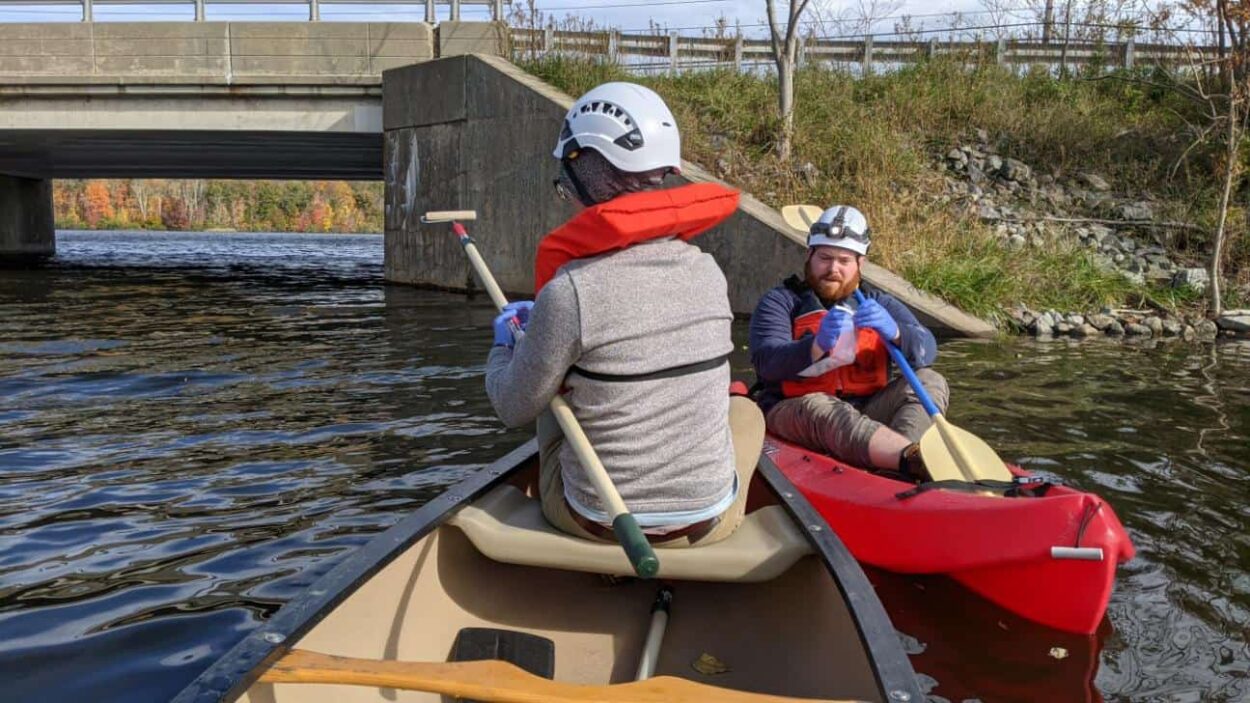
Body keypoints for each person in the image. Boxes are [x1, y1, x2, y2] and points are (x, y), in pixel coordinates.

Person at [484, 82, 764, 547]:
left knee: (549, 396)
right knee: (748, 413)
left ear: (584, 175)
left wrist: (504, 348)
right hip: (707, 523)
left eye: (565, 184)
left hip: (598, 520)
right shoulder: (709, 272)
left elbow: (511, 407)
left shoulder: (569, 290)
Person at [749, 205, 947, 479]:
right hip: (795, 410)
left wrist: (896, 332)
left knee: (930, 379)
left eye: (843, 260)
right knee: (820, 406)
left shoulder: (880, 303)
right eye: (824, 258)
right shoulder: (781, 301)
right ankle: (908, 460)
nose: (832, 269)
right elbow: (767, 363)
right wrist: (816, 345)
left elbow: (928, 351)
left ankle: (903, 466)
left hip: (868, 408)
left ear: (859, 264)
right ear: (809, 255)